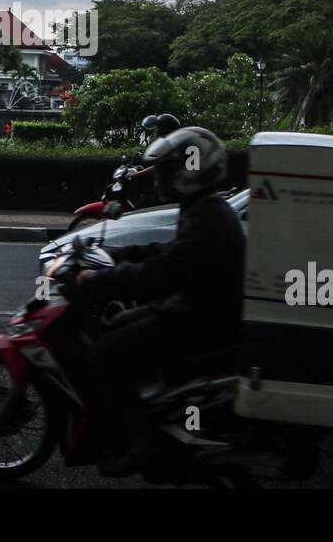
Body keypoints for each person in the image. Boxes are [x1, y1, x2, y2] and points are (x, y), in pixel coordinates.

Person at [69, 125, 244, 476]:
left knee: (105, 354)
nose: (158, 180)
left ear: (187, 173)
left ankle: (145, 444)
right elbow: (170, 254)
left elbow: (159, 276)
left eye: (165, 171)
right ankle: (158, 411)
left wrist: (99, 280)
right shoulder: (204, 209)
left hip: (199, 318)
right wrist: (119, 254)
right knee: (116, 325)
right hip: (201, 308)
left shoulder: (208, 217)